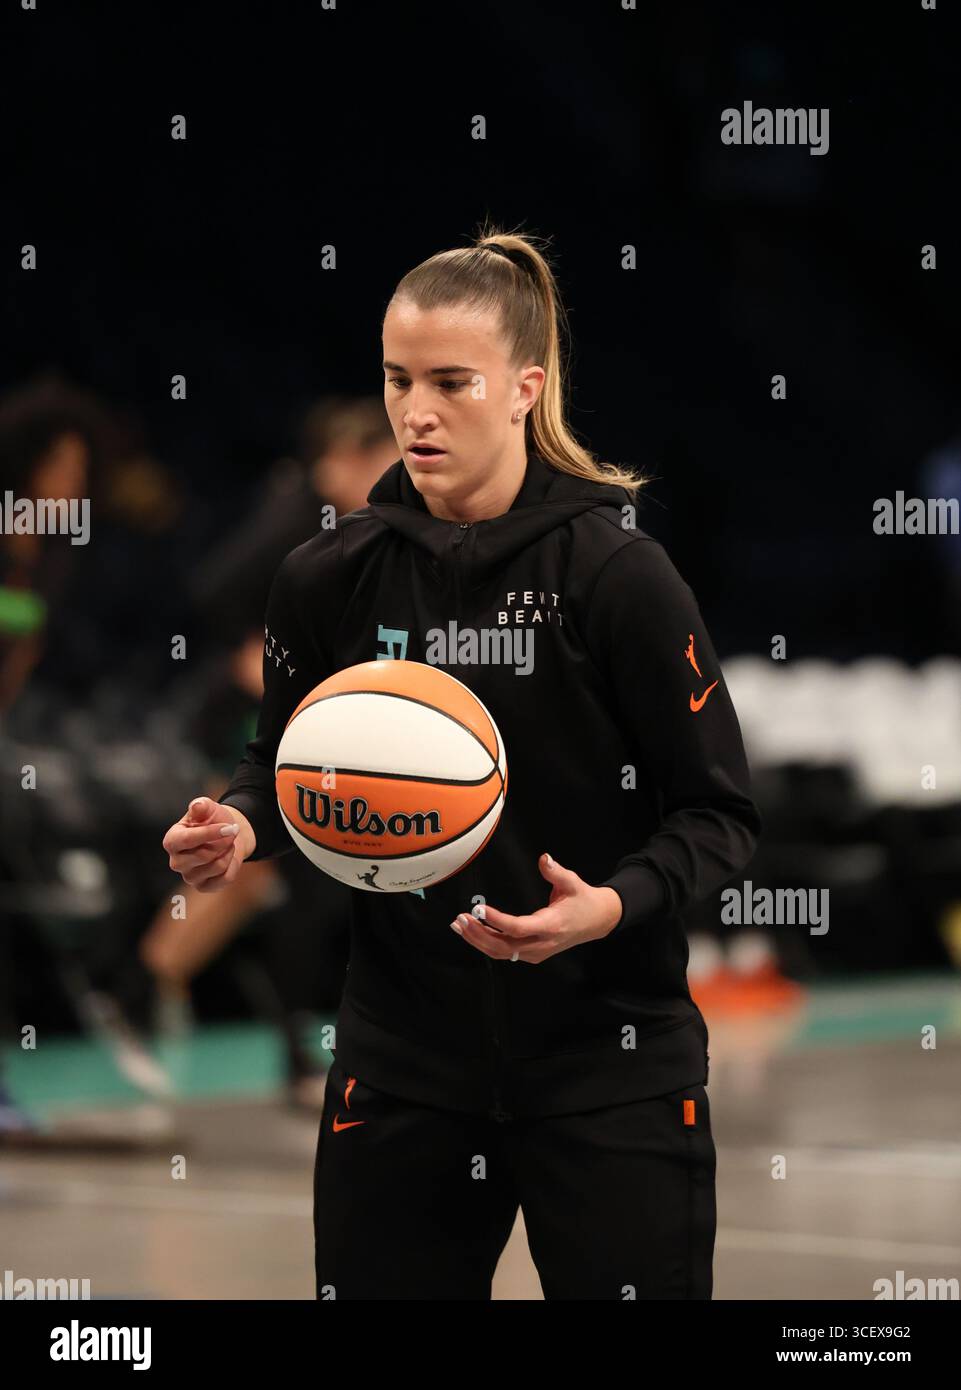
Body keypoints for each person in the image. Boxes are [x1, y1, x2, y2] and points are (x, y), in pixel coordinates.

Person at [162, 226, 761, 1300]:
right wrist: (241, 823)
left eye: (451, 381)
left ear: (525, 386)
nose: (416, 411)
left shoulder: (619, 576)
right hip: (402, 1068)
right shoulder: (324, 575)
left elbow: (718, 815)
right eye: (397, 380)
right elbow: (275, 760)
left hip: (607, 1061)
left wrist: (608, 907)